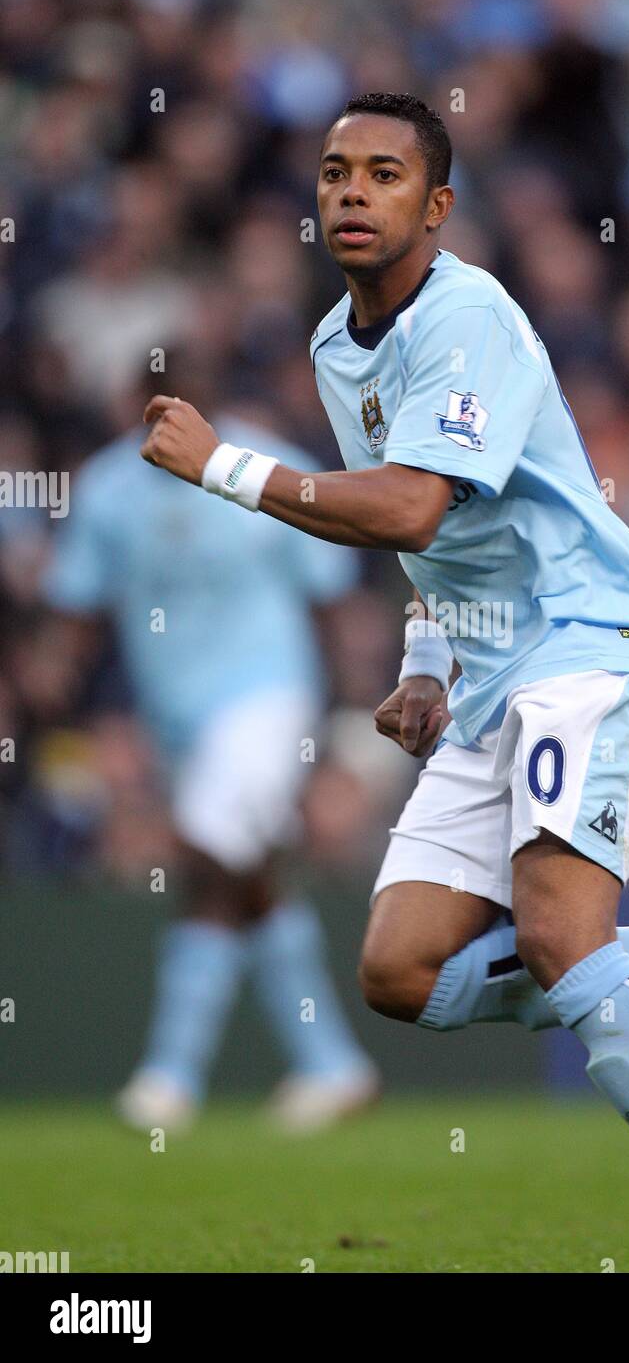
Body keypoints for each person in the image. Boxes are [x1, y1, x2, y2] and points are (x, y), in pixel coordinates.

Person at [136, 93, 629, 1271]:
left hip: (587, 637)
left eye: (381, 173)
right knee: (399, 972)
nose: (351, 192)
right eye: (332, 173)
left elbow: (411, 500)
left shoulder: (469, 317)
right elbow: (434, 538)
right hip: (484, 664)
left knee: (567, 941)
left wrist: (221, 464)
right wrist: (425, 658)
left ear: (437, 204)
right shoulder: (334, 345)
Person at [44, 368, 379, 1133]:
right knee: (246, 872)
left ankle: (169, 1077)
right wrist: (62, 684)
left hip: (269, 699)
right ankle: (331, 1064)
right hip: (175, 722)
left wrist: (345, 712)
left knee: (204, 849)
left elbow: (328, 592)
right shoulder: (106, 488)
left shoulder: (266, 467)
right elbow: (78, 606)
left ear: (210, 405)